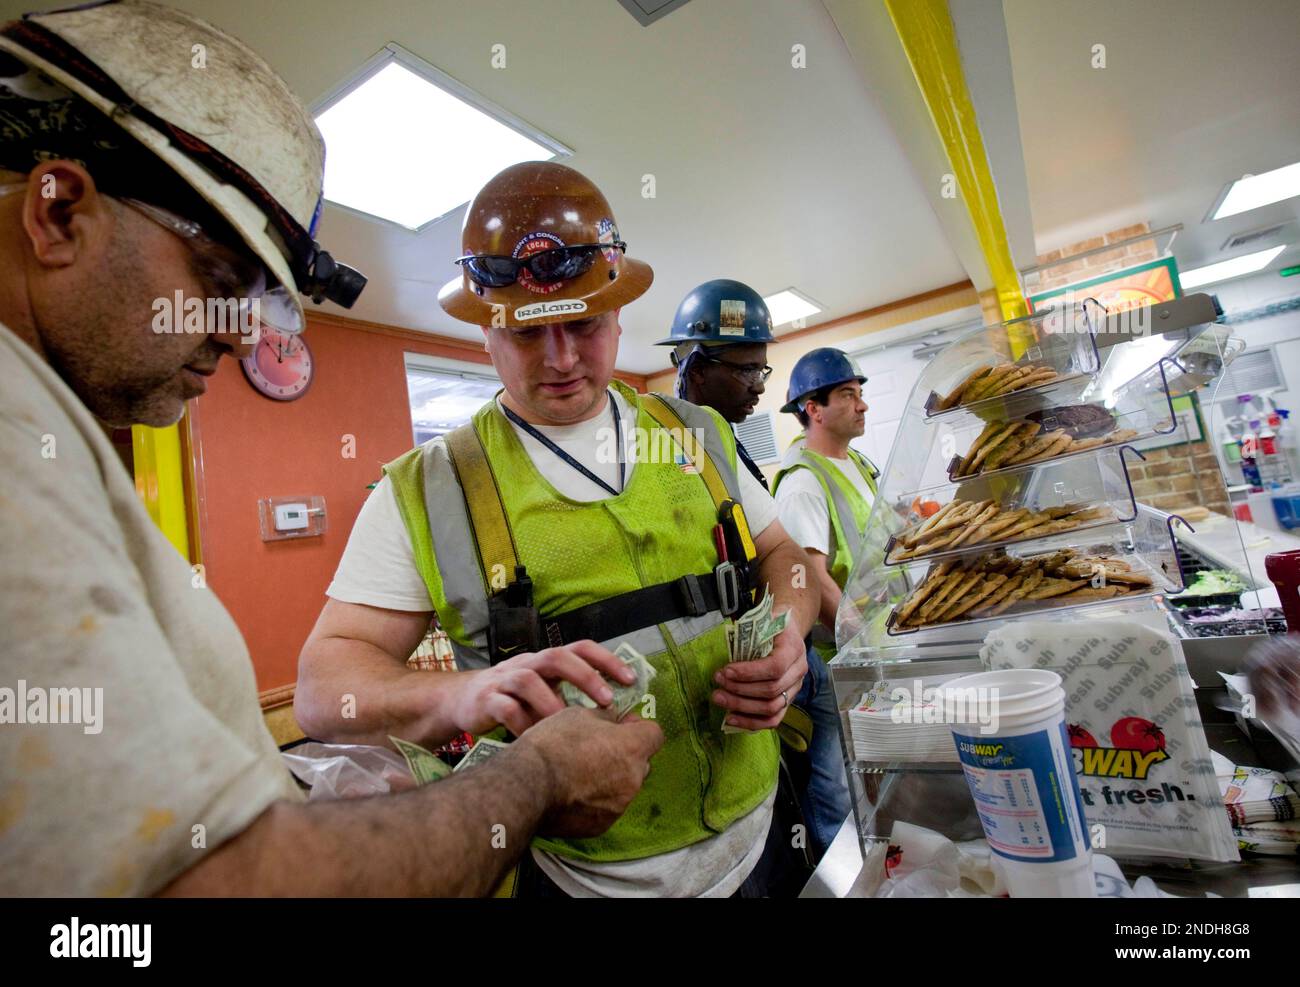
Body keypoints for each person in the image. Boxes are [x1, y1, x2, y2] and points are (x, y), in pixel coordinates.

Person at [0, 0, 660, 898]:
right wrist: (532, 777)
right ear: (59, 211)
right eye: (222, 283)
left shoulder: (49, 435)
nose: (239, 340)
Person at [296, 160, 819, 897]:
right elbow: (323, 691)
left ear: (618, 313)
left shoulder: (696, 432)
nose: (562, 359)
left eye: (584, 325)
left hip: (762, 835)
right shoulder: (428, 487)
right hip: (593, 881)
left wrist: (792, 632)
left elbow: (786, 557)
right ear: (485, 329)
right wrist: (465, 694)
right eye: (527, 333)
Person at [770, 348, 879, 853]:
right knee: (835, 780)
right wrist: (866, 639)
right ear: (813, 408)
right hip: (843, 658)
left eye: (860, 395)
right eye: (847, 396)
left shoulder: (858, 462)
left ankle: (876, 851)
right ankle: (842, 869)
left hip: (878, 646)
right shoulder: (804, 482)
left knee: (872, 770)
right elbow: (811, 576)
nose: (861, 406)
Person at [658, 278, 775, 488]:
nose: (759, 387)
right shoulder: (672, 456)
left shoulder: (721, 441)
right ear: (697, 371)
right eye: (748, 370)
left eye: (760, 371)